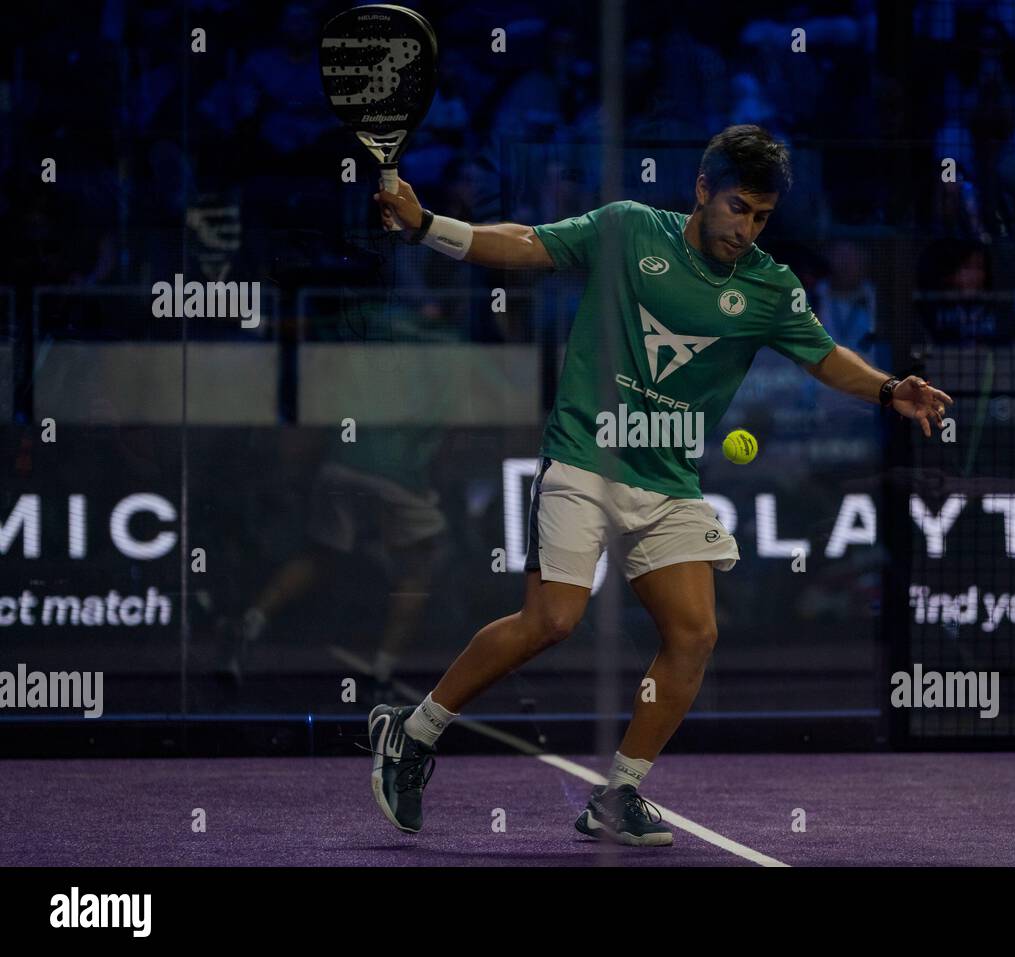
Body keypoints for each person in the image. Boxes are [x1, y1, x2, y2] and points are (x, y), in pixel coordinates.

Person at [366, 125, 952, 846]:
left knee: (694, 631)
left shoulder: (770, 286)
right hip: (584, 456)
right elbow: (526, 243)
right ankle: (414, 730)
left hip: (668, 478)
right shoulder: (626, 229)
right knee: (553, 619)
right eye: (738, 207)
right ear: (702, 191)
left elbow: (824, 356)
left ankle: (617, 793)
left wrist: (890, 389)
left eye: (762, 216)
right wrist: (428, 227)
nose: (747, 227)